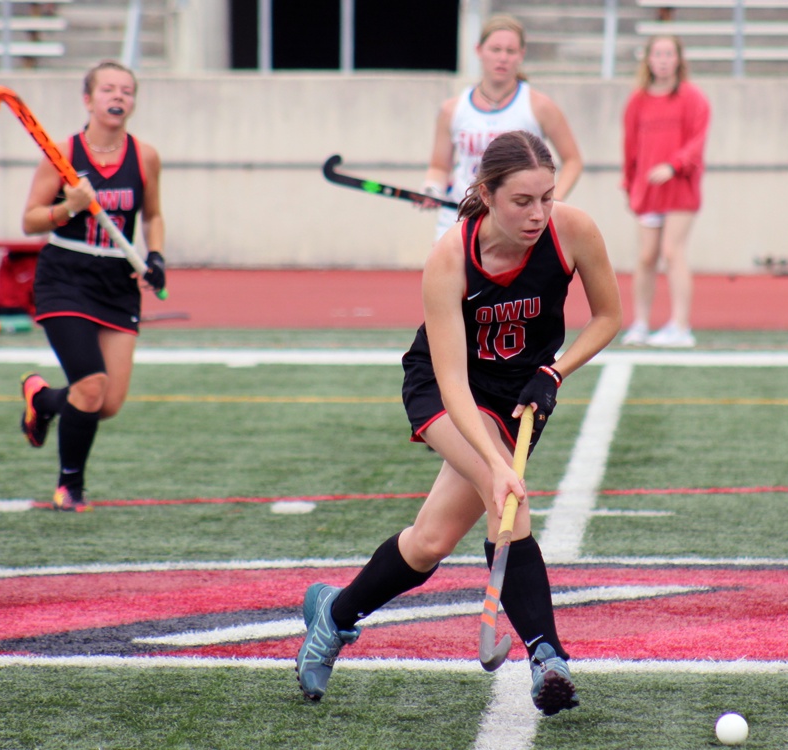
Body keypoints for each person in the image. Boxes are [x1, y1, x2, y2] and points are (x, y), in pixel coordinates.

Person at [297, 131, 621, 716]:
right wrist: (495, 464)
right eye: (522, 201)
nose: (538, 214)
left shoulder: (572, 230)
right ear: (487, 194)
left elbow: (608, 316)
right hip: (449, 391)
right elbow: (451, 382)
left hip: (520, 390)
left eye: (546, 198)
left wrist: (555, 372)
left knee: (429, 543)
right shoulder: (450, 258)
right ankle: (549, 657)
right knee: (507, 501)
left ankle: (334, 613)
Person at [17, 59, 166, 512]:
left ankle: (42, 399)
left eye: (126, 90)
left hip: (116, 280)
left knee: (107, 402)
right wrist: (70, 206)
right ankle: (70, 486)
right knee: (91, 383)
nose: (118, 96)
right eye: (108, 90)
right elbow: (30, 222)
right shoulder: (62, 155)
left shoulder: (145, 156)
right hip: (66, 276)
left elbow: (153, 215)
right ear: (88, 100)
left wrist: (155, 256)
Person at [422, 14, 583, 242]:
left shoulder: (539, 106)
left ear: (521, 55)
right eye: (495, 49)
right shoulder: (452, 109)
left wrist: (551, 200)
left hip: (514, 222)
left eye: (510, 51)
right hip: (460, 217)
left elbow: (573, 160)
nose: (502, 58)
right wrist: (432, 189)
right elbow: (439, 166)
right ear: (478, 50)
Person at [620, 34, 710, 348]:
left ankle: (680, 326)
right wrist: (629, 184)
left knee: (673, 251)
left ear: (678, 59)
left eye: (669, 54)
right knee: (646, 257)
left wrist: (673, 166)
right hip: (649, 193)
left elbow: (696, 143)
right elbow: (630, 147)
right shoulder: (637, 101)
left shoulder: (692, 97)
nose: (662, 59)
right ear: (648, 59)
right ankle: (641, 324)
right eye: (657, 53)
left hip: (680, 189)